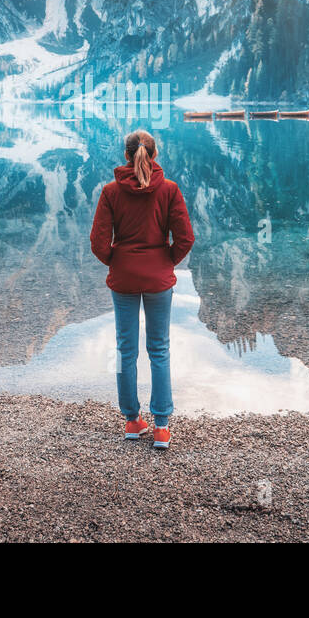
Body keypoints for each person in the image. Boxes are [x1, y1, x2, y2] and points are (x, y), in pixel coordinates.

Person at [89, 129, 194, 449]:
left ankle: (132, 422)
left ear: (126, 155)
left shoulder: (110, 191)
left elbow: (98, 242)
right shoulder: (170, 190)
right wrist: (166, 263)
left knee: (125, 351)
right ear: (155, 155)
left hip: (123, 279)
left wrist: (117, 261)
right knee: (159, 349)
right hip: (158, 280)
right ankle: (161, 427)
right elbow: (186, 238)